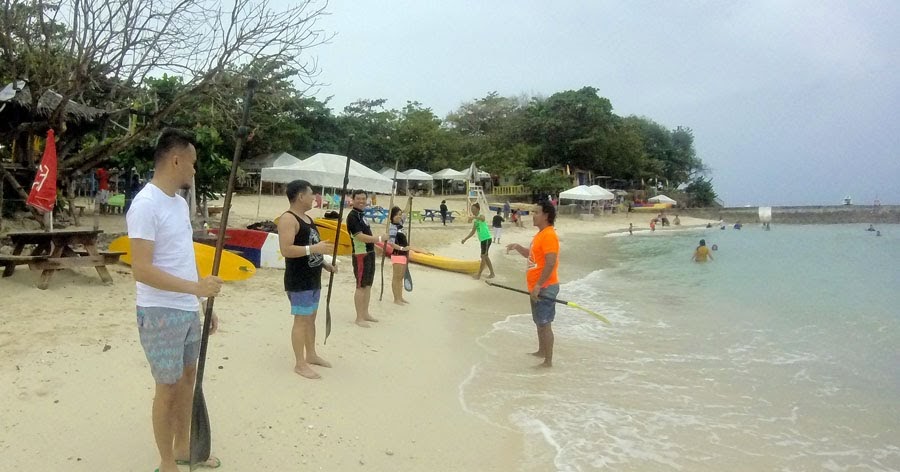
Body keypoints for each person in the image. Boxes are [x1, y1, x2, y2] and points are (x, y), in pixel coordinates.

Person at [126, 128, 224, 472]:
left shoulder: (180, 204)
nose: (195, 169)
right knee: (166, 387)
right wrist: (195, 289)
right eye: (193, 162)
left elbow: (183, 256)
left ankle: (183, 447)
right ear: (176, 160)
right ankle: (167, 461)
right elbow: (141, 269)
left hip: (186, 308)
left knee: (187, 381)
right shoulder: (145, 205)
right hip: (159, 312)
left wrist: (201, 302)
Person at [277, 180, 336, 379]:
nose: (314, 197)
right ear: (301, 196)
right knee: (301, 320)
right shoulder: (288, 219)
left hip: (313, 278)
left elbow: (311, 247)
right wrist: (314, 249)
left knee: (311, 318)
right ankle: (299, 363)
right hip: (299, 280)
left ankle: (311, 354)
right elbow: (286, 250)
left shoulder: (308, 219)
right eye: (311, 194)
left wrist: (324, 263)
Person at [506, 200, 560, 368]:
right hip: (537, 287)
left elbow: (551, 262)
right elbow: (532, 256)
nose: (533, 216)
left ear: (546, 215)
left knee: (545, 323)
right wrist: (517, 247)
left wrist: (539, 285)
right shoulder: (540, 235)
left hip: (545, 287)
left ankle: (548, 361)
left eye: (536, 212)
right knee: (539, 322)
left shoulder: (549, 235)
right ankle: (541, 351)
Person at [346, 189, 389, 327]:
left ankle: (365, 313)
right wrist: (379, 239)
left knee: (368, 285)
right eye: (358, 198)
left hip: (369, 253)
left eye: (363, 199)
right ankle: (359, 318)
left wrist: (376, 247)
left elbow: (367, 234)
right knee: (361, 286)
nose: (361, 201)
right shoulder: (352, 216)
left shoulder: (362, 215)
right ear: (353, 200)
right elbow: (359, 236)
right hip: (361, 255)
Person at [387, 206, 432, 304]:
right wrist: (402, 248)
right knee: (396, 277)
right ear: (392, 216)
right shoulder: (392, 227)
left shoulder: (400, 224)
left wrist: (409, 199)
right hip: (398, 254)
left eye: (400, 214)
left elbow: (406, 211)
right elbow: (391, 243)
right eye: (397, 215)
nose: (399, 216)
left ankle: (400, 297)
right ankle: (396, 299)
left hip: (404, 254)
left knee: (401, 277)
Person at [461, 202, 496, 279]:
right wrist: (465, 239)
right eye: (471, 209)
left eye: (473, 209)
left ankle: (479, 275)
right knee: (485, 256)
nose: (472, 211)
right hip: (483, 240)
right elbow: (472, 232)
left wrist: (473, 217)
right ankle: (492, 273)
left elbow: (483, 218)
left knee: (483, 256)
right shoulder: (476, 221)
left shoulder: (481, 215)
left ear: (478, 209)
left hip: (486, 239)